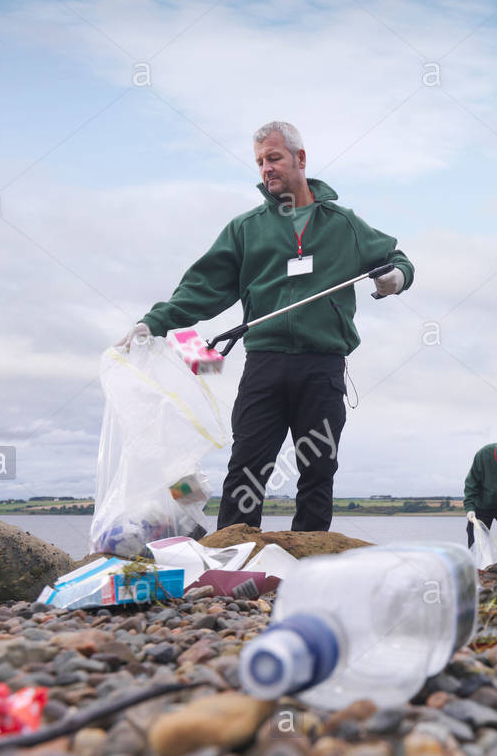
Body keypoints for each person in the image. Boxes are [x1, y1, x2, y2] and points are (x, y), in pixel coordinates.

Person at [118, 120, 414, 532]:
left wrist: (396, 278)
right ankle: (231, 556)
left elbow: (397, 259)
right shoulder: (246, 228)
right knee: (246, 468)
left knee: (318, 470)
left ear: (300, 158)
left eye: (273, 158)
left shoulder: (344, 224)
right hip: (265, 364)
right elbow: (202, 288)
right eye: (259, 162)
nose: (266, 168)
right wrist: (154, 322)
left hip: (323, 367)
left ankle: (310, 559)